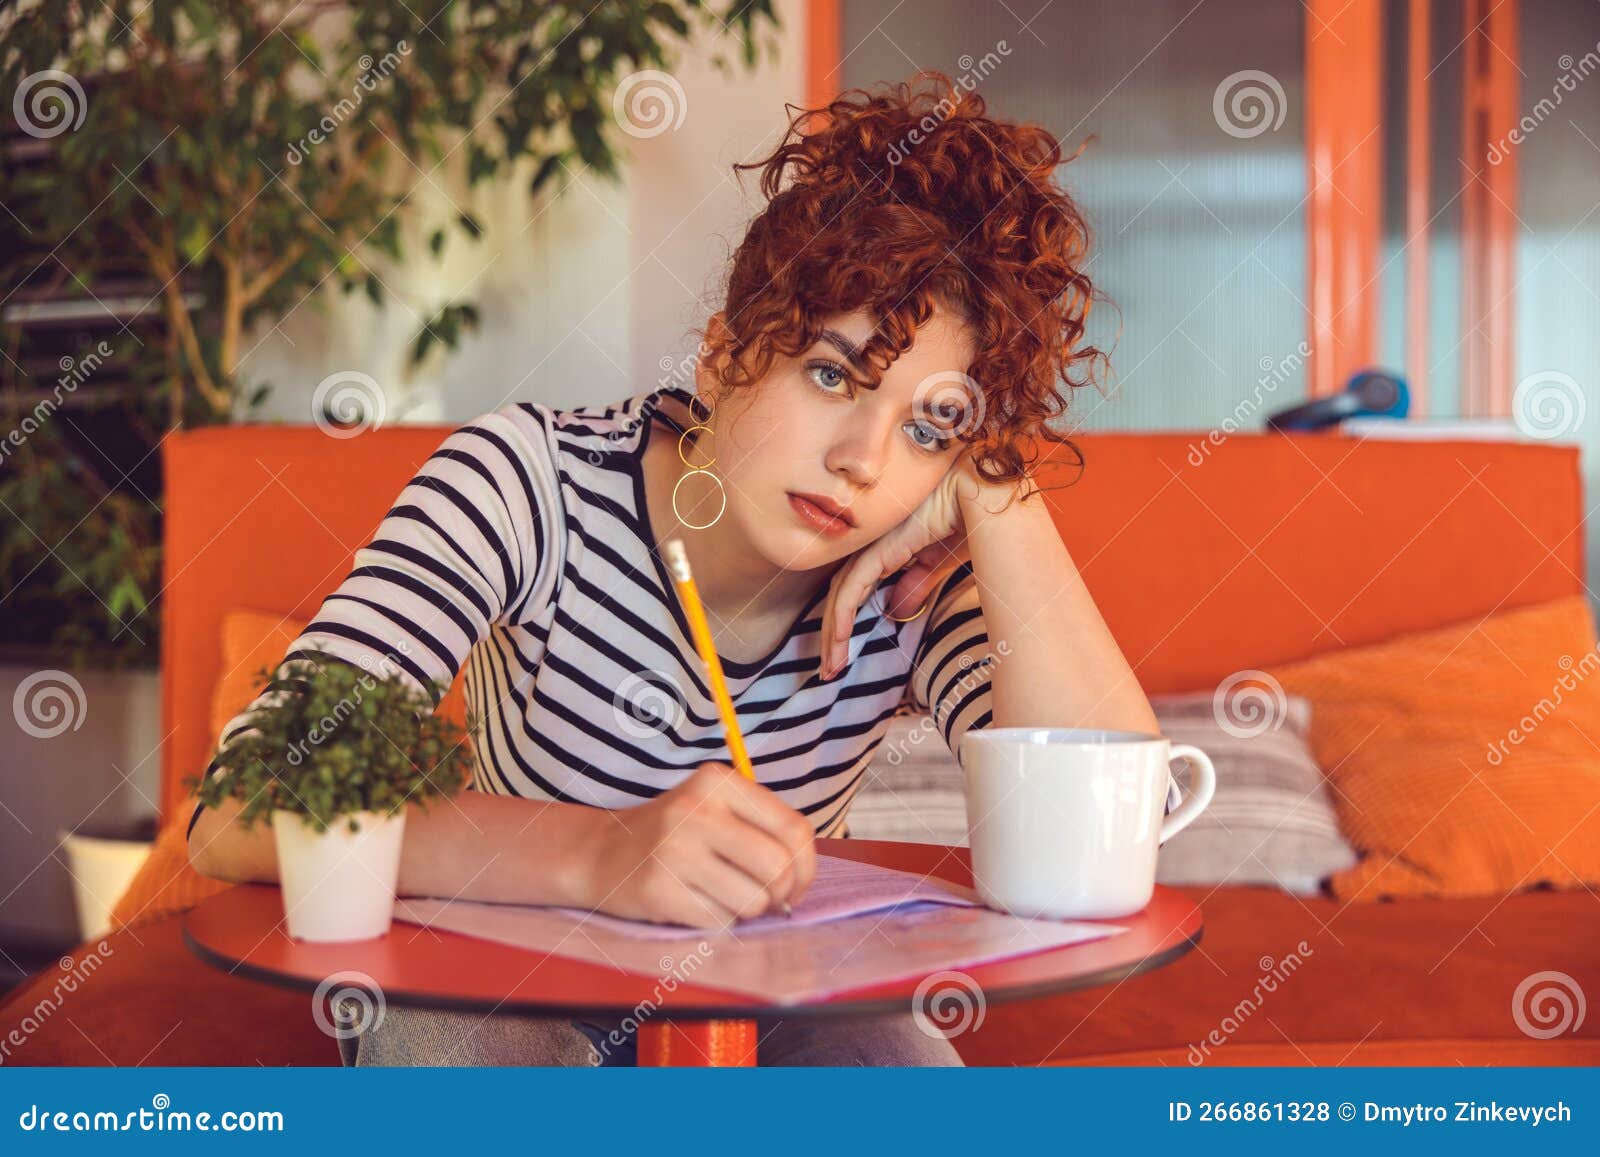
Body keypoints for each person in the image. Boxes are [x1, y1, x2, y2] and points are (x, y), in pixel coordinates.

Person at [186, 69, 1164, 1067]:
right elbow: (236, 806)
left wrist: (1000, 492)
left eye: (928, 425)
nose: (863, 461)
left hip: (764, 993)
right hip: (501, 977)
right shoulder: (527, 483)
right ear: (724, 356)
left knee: (898, 1064)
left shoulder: (918, 568)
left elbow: (1108, 843)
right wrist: (600, 854)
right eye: (832, 374)